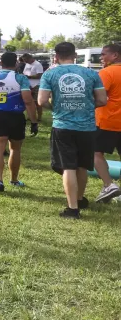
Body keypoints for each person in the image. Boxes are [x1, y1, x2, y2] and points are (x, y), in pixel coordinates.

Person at [37, 42, 107, 218]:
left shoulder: (50, 74)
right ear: (75, 55)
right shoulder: (91, 73)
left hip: (63, 125)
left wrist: (55, 108)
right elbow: (102, 100)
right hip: (87, 126)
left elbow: (41, 100)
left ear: (56, 56)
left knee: (68, 167)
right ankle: (80, 198)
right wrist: (86, 107)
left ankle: (73, 208)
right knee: (82, 166)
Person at [0, 52, 39, 193]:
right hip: (16, 116)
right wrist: (34, 121)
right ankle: (13, 179)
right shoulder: (20, 78)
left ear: (0, 63)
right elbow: (28, 101)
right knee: (15, 149)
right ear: (17, 63)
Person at [92, 43, 121, 202]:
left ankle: (109, 185)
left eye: (103, 54)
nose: (101, 57)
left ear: (115, 55)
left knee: (96, 153)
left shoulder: (107, 72)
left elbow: (98, 96)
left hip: (108, 121)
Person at [21, 53, 45, 122]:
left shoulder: (37, 64)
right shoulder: (27, 64)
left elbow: (39, 75)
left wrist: (29, 77)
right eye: (24, 60)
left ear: (30, 58)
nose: (25, 61)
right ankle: (30, 116)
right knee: (29, 102)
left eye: (26, 60)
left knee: (37, 103)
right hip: (28, 86)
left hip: (36, 85)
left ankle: (39, 117)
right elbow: (24, 73)